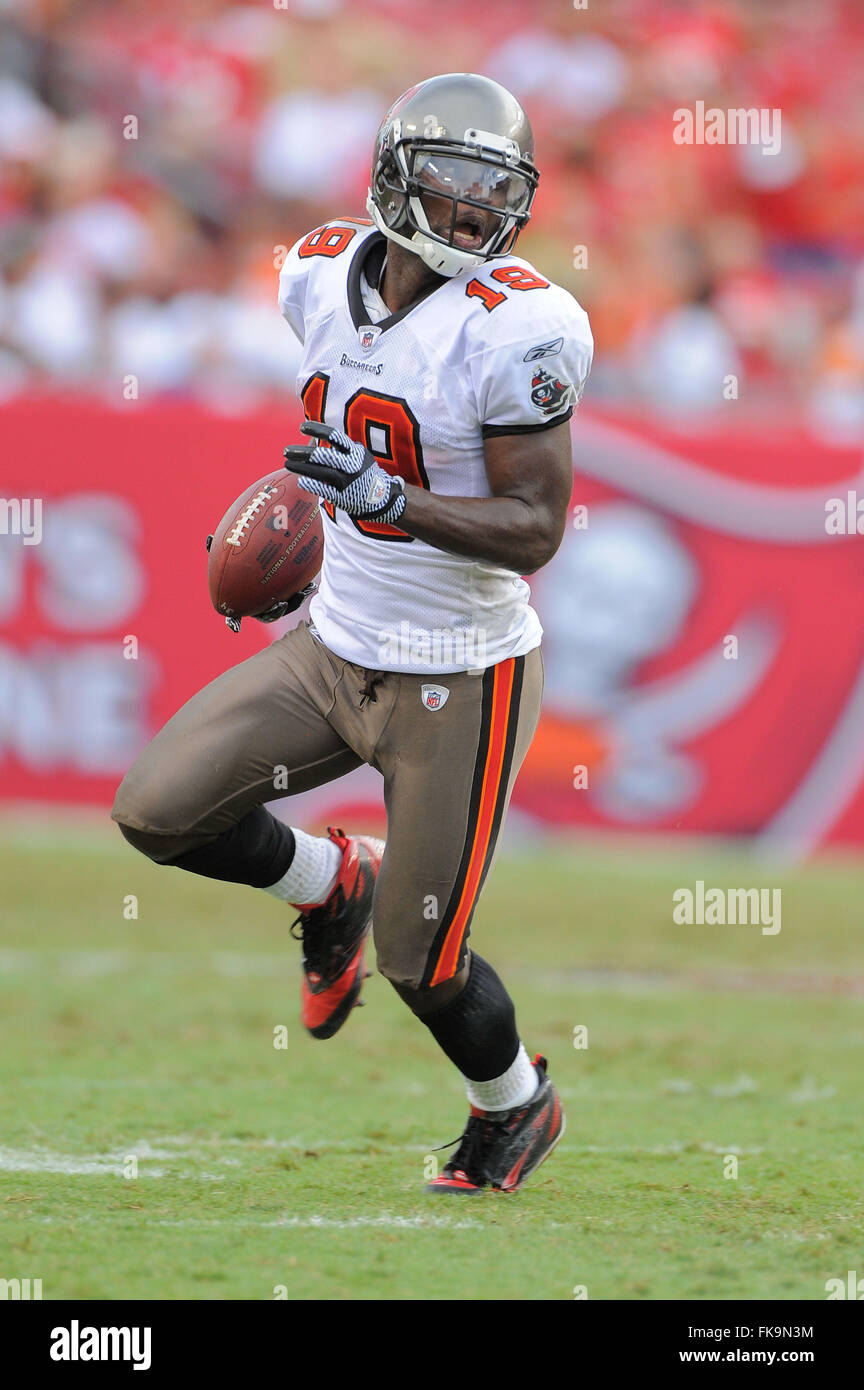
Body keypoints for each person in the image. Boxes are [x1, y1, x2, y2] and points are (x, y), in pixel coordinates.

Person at [112, 72, 593, 1195]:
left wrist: (387, 501)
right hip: (337, 644)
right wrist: (331, 510)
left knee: (423, 964)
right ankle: (328, 882)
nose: (477, 211)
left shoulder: (523, 326)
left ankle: (513, 1106)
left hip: (459, 675)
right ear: (391, 175)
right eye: (454, 182)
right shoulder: (318, 271)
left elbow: (532, 529)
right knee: (157, 809)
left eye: (497, 189)